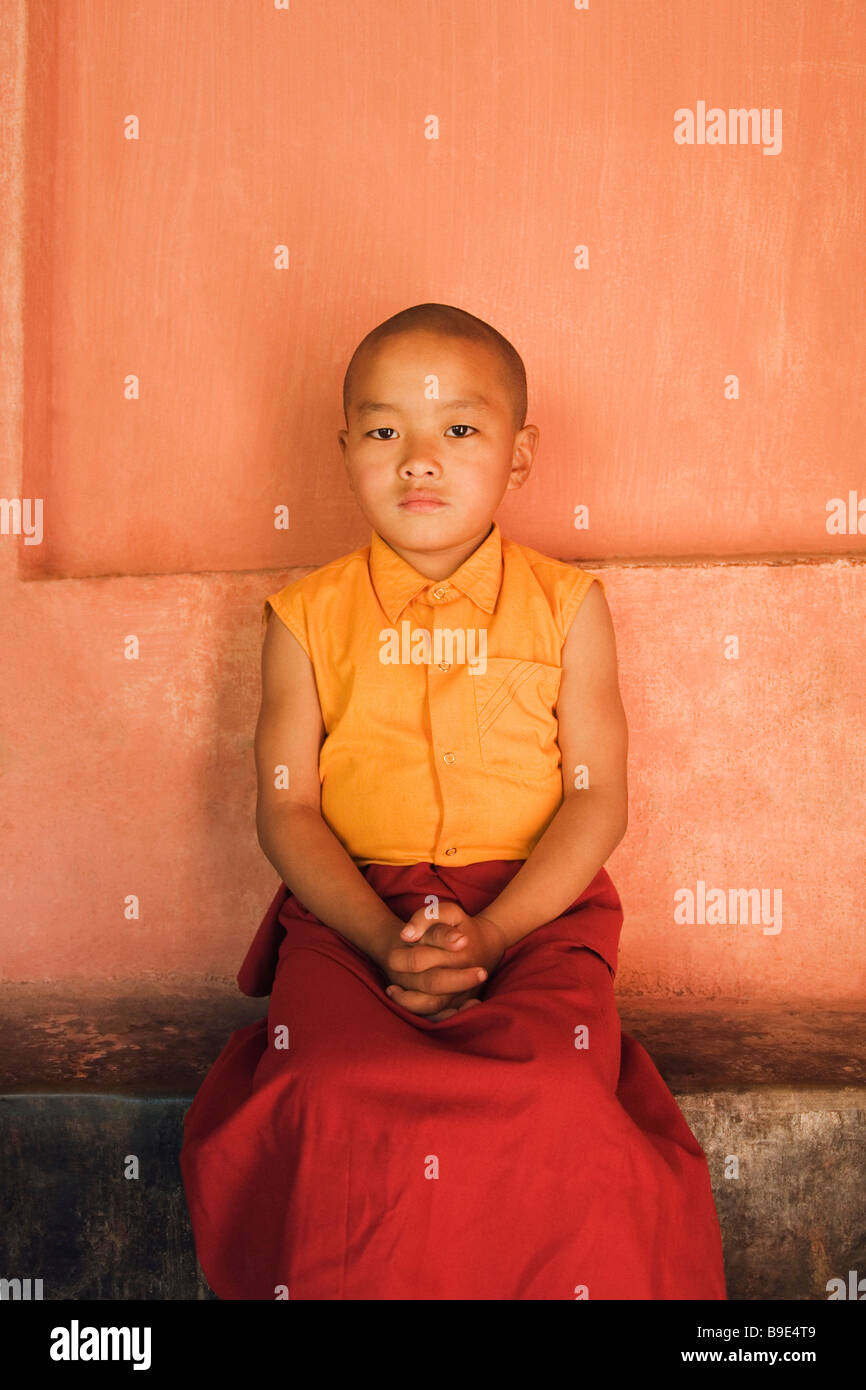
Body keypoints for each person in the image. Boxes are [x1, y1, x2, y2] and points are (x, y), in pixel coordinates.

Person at [180, 302, 727, 1300]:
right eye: (385, 431)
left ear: (519, 459)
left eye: (459, 430)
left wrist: (493, 933)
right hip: (348, 915)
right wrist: (387, 943)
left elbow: (593, 801)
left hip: (534, 912)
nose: (418, 461)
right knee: (323, 1085)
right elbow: (286, 808)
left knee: (556, 1090)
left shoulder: (566, 608)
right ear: (343, 447)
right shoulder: (304, 618)